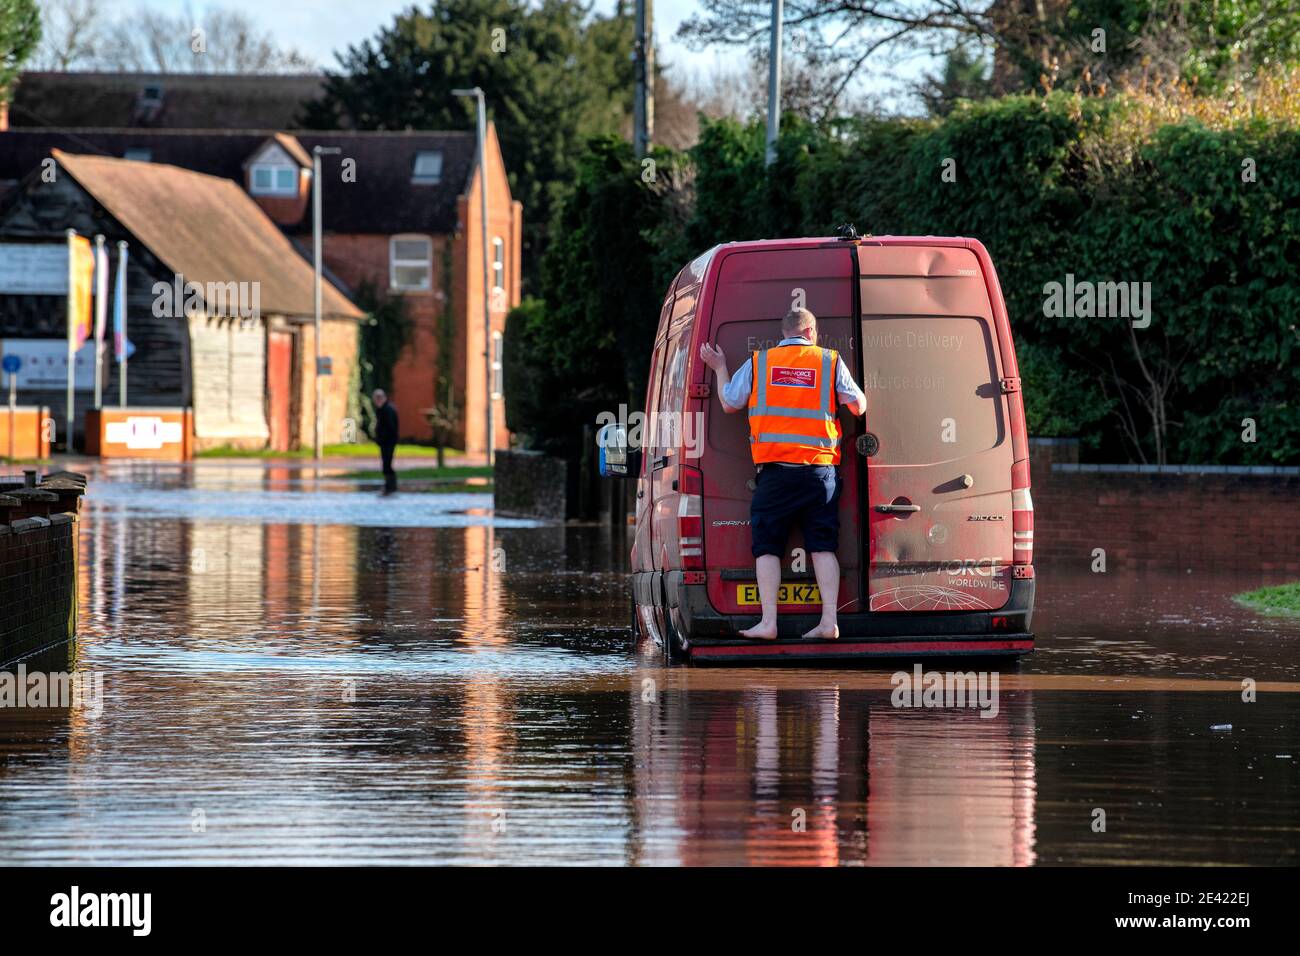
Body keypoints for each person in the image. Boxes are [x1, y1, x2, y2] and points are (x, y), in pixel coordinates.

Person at [698, 308, 867, 641]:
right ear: (809, 332)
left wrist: (720, 368)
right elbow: (858, 406)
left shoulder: (761, 362)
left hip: (776, 475)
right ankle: (829, 622)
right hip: (820, 473)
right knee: (822, 547)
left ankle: (768, 623)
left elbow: (730, 402)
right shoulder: (829, 360)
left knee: (767, 547)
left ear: (786, 332)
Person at [372, 389, 399, 495]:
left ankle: (391, 486)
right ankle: (389, 485)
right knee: (386, 464)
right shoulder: (382, 409)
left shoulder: (387, 410)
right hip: (385, 442)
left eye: (379, 398)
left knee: (387, 464)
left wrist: (383, 437)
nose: (377, 401)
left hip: (388, 442)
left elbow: (390, 427)